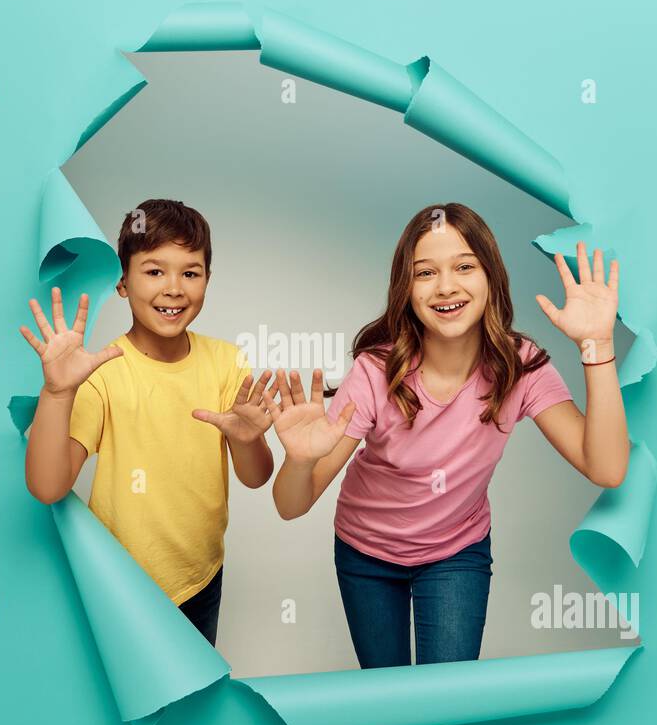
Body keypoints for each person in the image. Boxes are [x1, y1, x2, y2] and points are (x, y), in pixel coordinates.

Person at [265, 202, 630, 668]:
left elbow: (608, 467)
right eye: (425, 273)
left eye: (464, 266)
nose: (446, 286)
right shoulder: (375, 371)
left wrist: (597, 345)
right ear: (406, 289)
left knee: (448, 697)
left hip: (457, 552)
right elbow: (291, 505)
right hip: (365, 553)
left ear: (491, 277)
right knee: (388, 694)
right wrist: (299, 460)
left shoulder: (521, 366)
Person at [20, 198, 275, 646]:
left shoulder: (227, 362)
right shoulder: (103, 373)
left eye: (190, 273)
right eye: (154, 271)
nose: (174, 288)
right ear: (122, 282)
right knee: (129, 710)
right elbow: (47, 486)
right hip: (122, 585)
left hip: (201, 578)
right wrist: (58, 393)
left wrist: (248, 439)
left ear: (207, 281)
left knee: (190, 706)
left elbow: (255, 477)